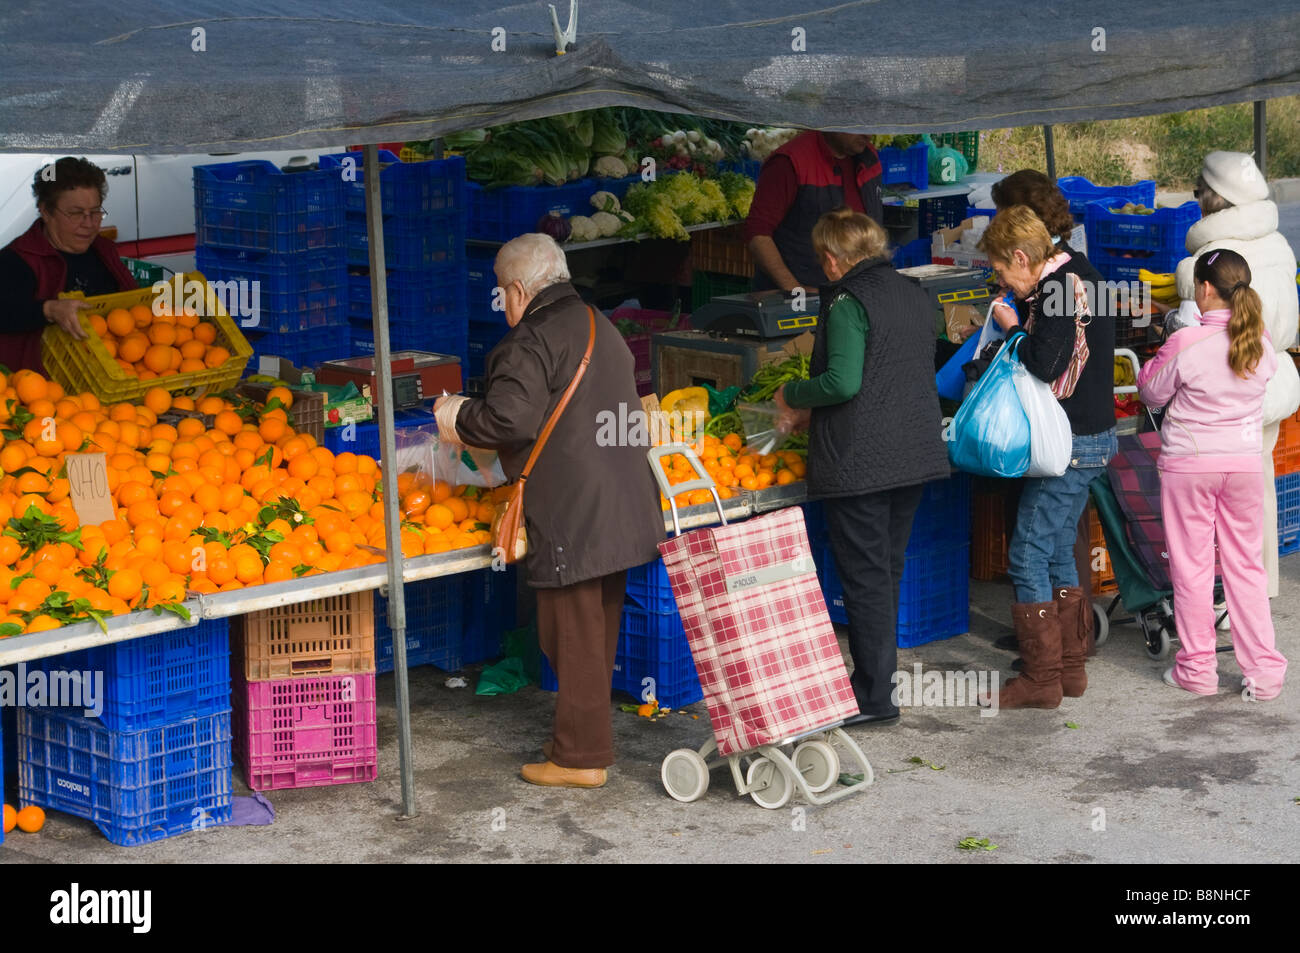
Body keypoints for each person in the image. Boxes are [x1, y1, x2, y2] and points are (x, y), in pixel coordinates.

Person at [433, 234, 664, 788]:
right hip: (623, 500)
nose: (501, 301)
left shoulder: (529, 340)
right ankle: (579, 741)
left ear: (517, 289)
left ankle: (580, 760)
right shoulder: (594, 322)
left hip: (575, 511)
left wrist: (458, 415)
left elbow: (510, 422)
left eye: (499, 289)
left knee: (572, 632)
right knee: (595, 628)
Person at [774, 208, 949, 726]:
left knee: (867, 579)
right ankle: (875, 683)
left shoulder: (848, 300)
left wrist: (793, 393)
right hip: (914, 453)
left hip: (861, 462)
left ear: (832, 259)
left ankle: (874, 697)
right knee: (885, 572)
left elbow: (843, 382)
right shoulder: (916, 294)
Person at [978, 206, 1117, 710]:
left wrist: (1014, 327)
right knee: (1058, 548)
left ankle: (1041, 679)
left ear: (1022, 256)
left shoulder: (1056, 289)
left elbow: (1045, 363)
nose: (1004, 281)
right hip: (1095, 435)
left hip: (1073, 443)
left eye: (1001, 270)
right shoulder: (1085, 273)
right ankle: (1070, 668)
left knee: (1027, 552)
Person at [1136, 249, 1287, 699]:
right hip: (1243, 464)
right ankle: (1264, 674)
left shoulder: (1186, 342)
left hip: (1190, 467)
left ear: (1203, 289)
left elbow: (1150, 389)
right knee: (1247, 568)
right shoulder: (1258, 343)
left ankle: (1198, 670)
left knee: (1193, 570)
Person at [1161, 152, 1300, 599]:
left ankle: (1222, 598)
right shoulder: (1277, 242)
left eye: (1199, 191)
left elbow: (1196, 329)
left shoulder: (1210, 260)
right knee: (1257, 494)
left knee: (1215, 511)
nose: (1195, 198)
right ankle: (1258, 591)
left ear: (1215, 196)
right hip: (1270, 382)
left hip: (1226, 396)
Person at [0, 157, 137, 372]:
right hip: (42, 386)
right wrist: (48, 309)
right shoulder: (17, 260)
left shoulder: (104, 250)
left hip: (114, 371)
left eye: (95, 212)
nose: (89, 223)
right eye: (75, 213)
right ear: (46, 211)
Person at [744, 131, 884, 293]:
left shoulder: (868, 156)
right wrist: (794, 289)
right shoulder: (789, 162)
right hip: (804, 299)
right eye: (859, 125)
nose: (868, 134)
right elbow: (758, 233)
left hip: (857, 293)